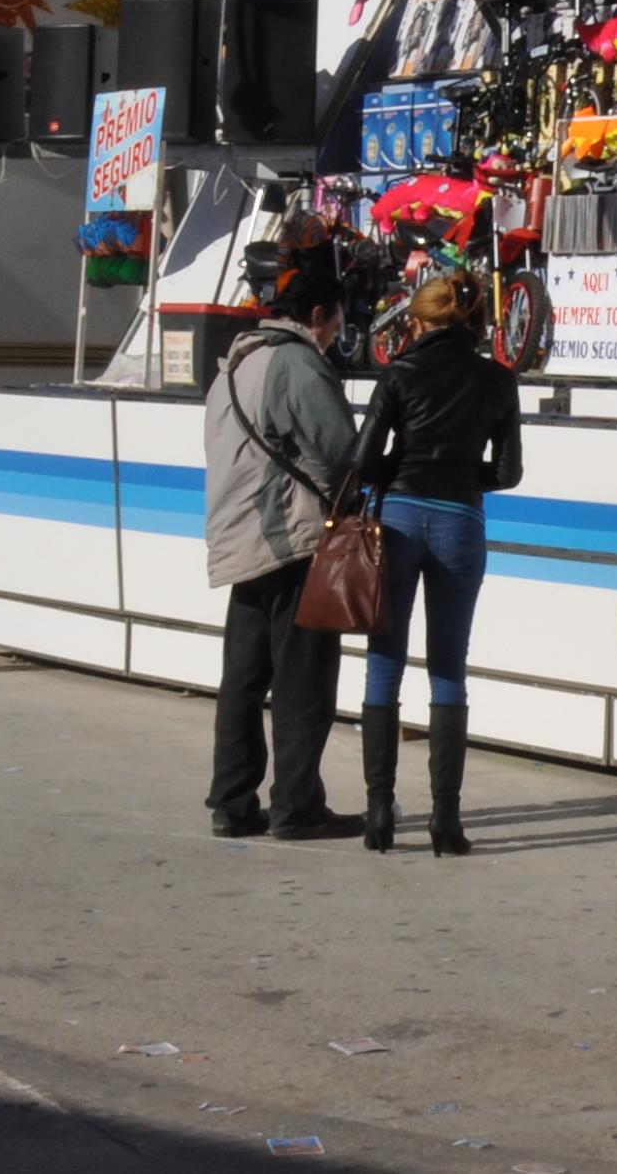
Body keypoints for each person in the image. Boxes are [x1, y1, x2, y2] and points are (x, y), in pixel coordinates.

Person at [349, 265, 524, 855]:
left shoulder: (399, 372)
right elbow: (508, 472)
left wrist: (408, 468)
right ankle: (446, 822)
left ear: (419, 321)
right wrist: (457, 473)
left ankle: (378, 814)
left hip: (398, 519)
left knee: (383, 663)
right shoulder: (499, 380)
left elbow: (364, 459)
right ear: (474, 322)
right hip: (460, 522)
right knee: (449, 668)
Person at [202, 257, 359, 841]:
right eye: (336, 328)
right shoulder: (297, 363)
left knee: (243, 680)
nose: (335, 339)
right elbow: (342, 449)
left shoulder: (235, 364)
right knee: (302, 681)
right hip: (290, 542)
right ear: (317, 315)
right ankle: (296, 807)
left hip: (239, 540)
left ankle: (233, 802)